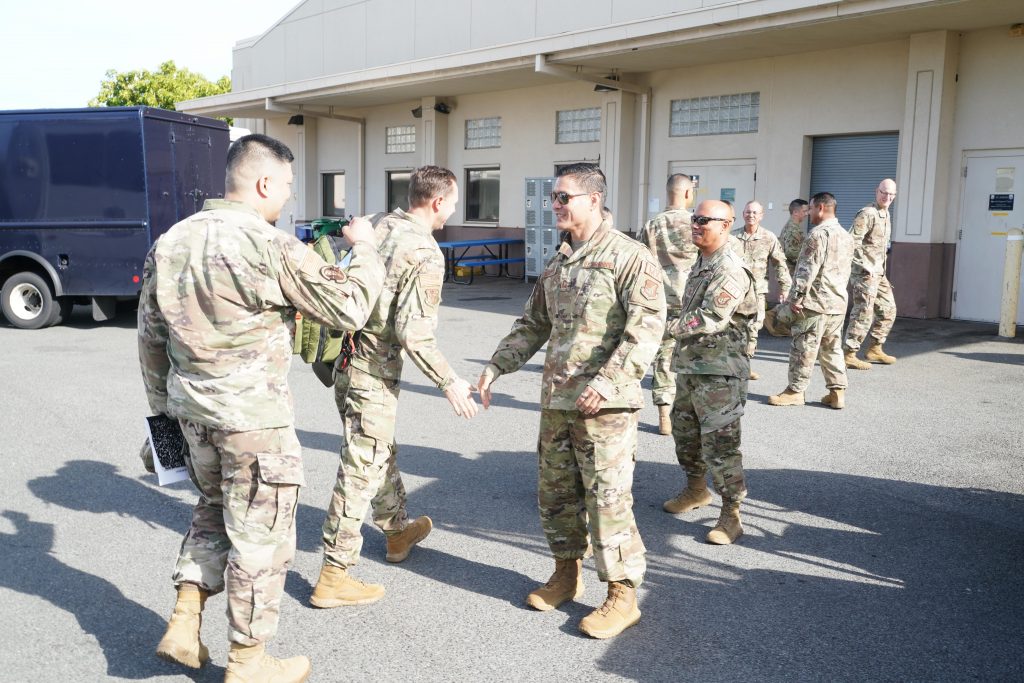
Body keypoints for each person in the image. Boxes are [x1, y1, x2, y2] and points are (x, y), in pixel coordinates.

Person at [139, 134, 385, 682]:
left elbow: (151, 342)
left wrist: (164, 427)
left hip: (192, 416)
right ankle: (249, 661)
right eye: (288, 188)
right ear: (264, 182)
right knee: (261, 539)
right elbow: (349, 307)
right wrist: (364, 247)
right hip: (254, 424)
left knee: (211, 512)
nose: (287, 200)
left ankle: (184, 623)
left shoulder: (171, 241)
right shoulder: (264, 243)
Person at [477, 164, 665, 640]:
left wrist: (609, 381)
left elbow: (645, 328)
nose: (555, 205)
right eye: (554, 198)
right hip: (558, 401)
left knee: (607, 499)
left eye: (564, 197)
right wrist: (497, 364)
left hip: (605, 405)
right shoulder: (562, 260)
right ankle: (566, 572)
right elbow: (533, 324)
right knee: (556, 495)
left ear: (594, 199)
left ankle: (623, 594)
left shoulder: (629, 256)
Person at [311, 165, 478, 608]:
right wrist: (450, 382)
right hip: (373, 370)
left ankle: (398, 530)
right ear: (439, 202)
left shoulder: (380, 226)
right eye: (455, 201)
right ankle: (334, 572)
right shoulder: (425, 252)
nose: (455, 209)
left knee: (376, 450)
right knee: (361, 467)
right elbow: (413, 332)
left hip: (344, 363)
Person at [662, 200, 757, 545]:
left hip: (721, 372)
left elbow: (710, 317)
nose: (696, 224)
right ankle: (696, 490)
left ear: (726, 225)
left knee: (721, 444)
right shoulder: (703, 261)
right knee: (685, 435)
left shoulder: (729, 267)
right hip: (692, 365)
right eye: (695, 219)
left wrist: (664, 327)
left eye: (705, 220)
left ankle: (731, 515)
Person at [766, 192, 854, 408]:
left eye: (812, 209)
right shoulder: (846, 235)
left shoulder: (817, 235)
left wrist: (795, 298)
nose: (810, 213)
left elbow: (806, 271)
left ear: (821, 208)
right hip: (837, 303)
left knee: (803, 348)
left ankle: (795, 391)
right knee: (832, 348)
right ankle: (837, 393)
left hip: (815, 304)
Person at [640, 174, 698, 436]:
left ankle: (665, 415)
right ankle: (691, 414)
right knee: (695, 357)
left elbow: (641, 263)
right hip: (693, 301)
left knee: (663, 358)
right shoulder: (697, 224)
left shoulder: (652, 225)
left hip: (661, 300)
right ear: (688, 194)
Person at [730, 200, 791, 379]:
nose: (751, 215)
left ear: (761, 216)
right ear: (743, 214)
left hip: (756, 293)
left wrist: (785, 287)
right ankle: (731, 365)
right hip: (735, 291)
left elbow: (780, 264)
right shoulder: (732, 238)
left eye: (755, 213)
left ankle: (745, 366)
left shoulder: (768, 238)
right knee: (732, 329)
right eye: (748, 212)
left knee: (753, 329)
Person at [844, 179, 899, 369]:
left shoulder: (885, 214)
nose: (887, 197)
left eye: (891, 194)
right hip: (865, 272)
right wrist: (864, 266)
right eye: (884, 193)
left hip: (879, 272)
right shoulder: (867, 214)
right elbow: (852, 242)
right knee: (863, 312)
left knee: (888, 309)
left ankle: (875, 348)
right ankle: (849, 353)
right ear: (877, 191)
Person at [779, 199, 810, 276]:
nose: (807, 214)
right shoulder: (793, 230)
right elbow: (791, 254)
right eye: (804, 211)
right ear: (795, 212)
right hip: (791, 272)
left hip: (792, 271)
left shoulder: (794, 227)